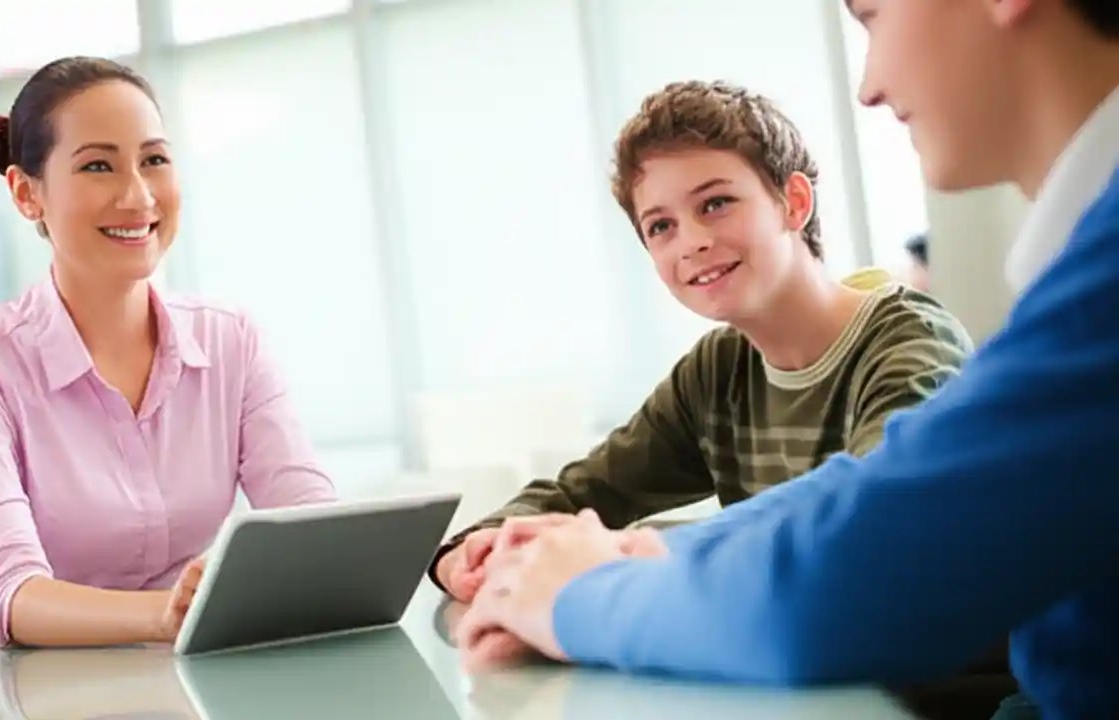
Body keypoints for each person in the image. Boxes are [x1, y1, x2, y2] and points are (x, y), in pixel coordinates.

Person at [456, 1, 1119, 718]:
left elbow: (863, 558)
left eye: (873, 15)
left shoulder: (1069, 301)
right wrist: (540, 555)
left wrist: (579, 588)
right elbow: (877, 508)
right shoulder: (1079, 275)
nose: (869, 83)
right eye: (661, 226)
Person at [432, 80, 972, 604]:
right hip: (803, 677)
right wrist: (466, 553)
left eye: (714, 203)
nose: (691, 242)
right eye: (660, 226)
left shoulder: (909, 342)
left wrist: (620, 553)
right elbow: (586, 491)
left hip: (936, 688)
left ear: (794, 202)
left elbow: (867, 522)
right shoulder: (717, 371)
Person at [0, 56, 337, 653]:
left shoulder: (232, 341)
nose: (138, 195)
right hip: (3, 694)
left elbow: (311, 526)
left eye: (155, 160)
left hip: (166, 684)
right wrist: (171, 612)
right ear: (26, 192)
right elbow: (8, 595)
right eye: (97, 165)